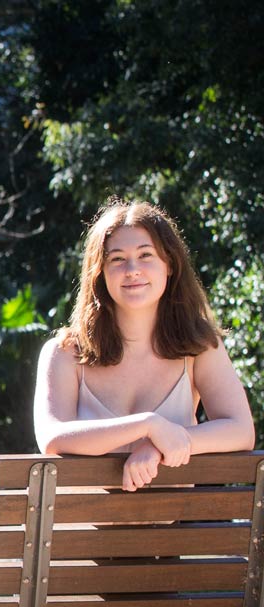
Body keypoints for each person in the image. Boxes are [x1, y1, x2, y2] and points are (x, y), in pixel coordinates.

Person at [33, 199, 254, 492]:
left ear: (170, 264)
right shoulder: (64, 353)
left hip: (170, 536)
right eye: (117, 259)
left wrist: (162, 444)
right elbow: (53, 437)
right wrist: (149, 425)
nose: (132, 269)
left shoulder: (200, 348)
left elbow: (241, 430)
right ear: (99, 273)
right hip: (81, 536)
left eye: (145, 255)